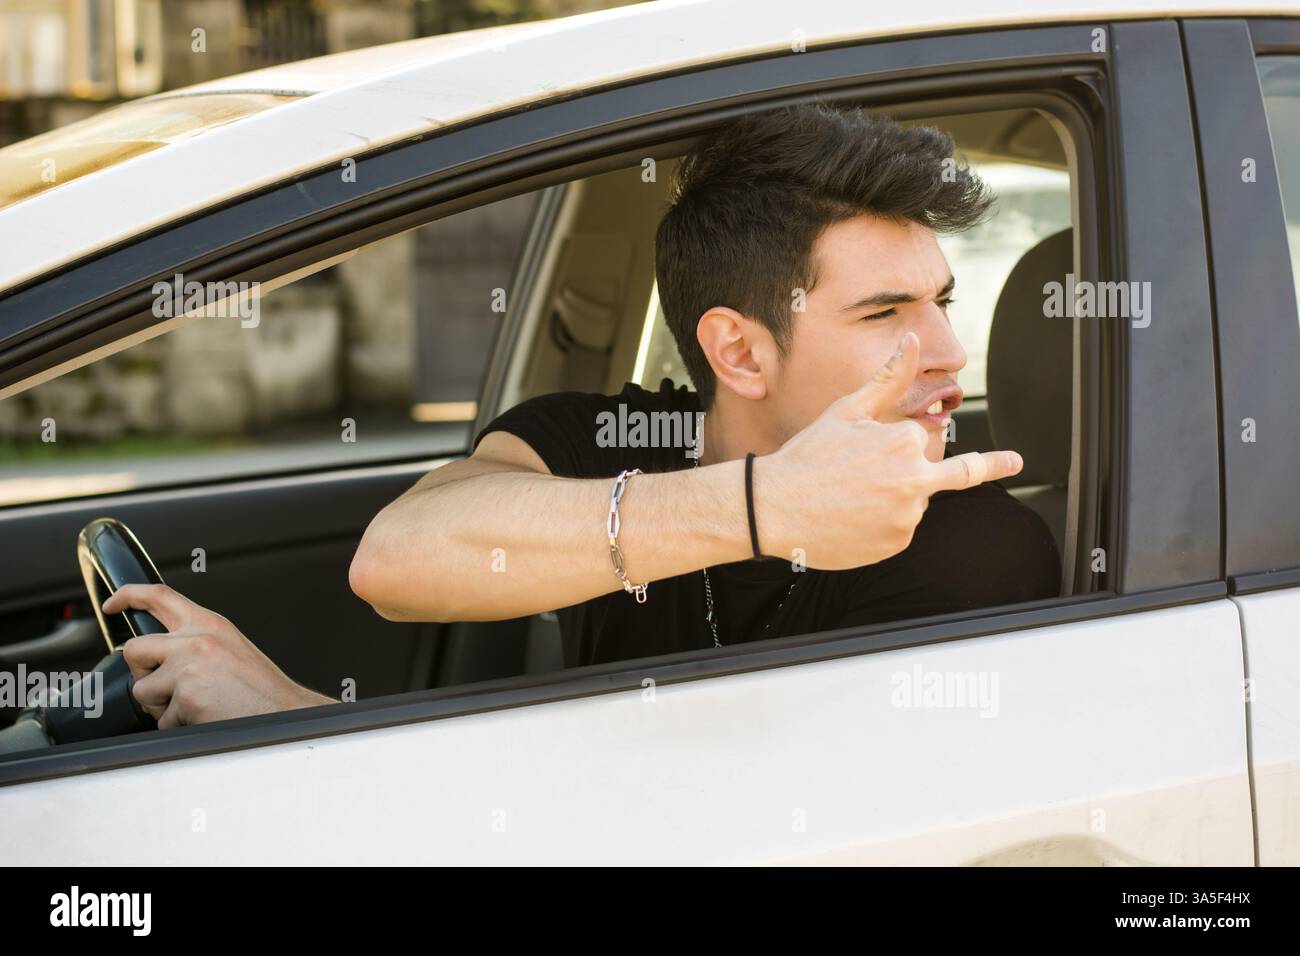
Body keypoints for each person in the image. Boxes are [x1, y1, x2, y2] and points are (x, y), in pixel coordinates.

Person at [103, 103, 1059, 727]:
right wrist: (762, 507)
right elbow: (394, 560)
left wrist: (288, 724)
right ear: (737, 351)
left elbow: (701, 827)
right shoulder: (612, 437)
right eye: (887, 312)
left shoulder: (972, 543)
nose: (947, 353)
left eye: (943, 302)